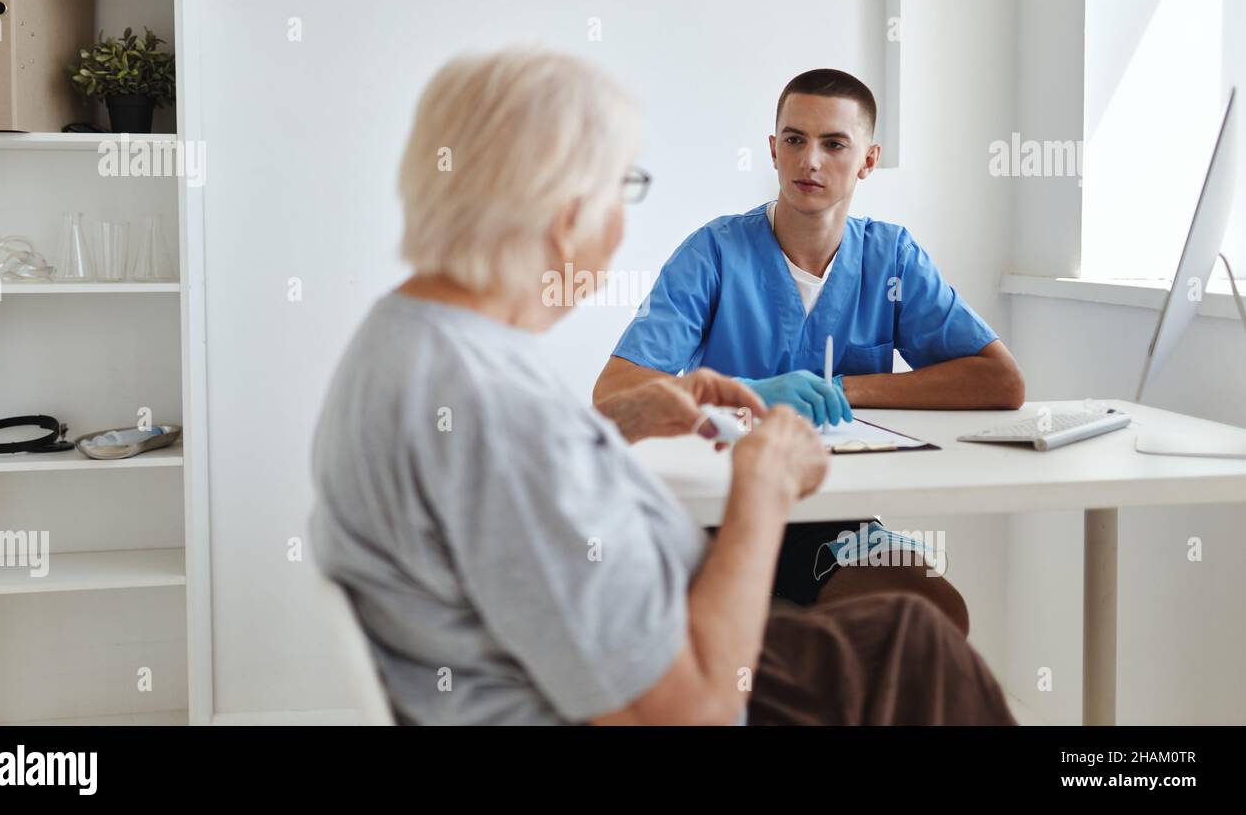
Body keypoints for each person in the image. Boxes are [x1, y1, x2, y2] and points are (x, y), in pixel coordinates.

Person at [309, 47, 1015, 725]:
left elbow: (519, 497)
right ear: (566, 215)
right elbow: (685, 713)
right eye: (624, 188)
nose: (620, 228)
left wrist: (616, 426)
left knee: (913, 620)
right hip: (647, 692)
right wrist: (762, 490)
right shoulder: (486, 398)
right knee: (913, 646)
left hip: (598, 662)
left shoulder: (407, 339)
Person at [593, 69, 1026, 632]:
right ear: (774, 151)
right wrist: (747, 397)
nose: (810, 161)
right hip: (711, 509)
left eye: (834, 144)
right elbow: (613, 390)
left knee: (933, 619)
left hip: (829, 520)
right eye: (794, 140)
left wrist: (846, 390)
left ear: (868, 160)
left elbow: (1000, 382)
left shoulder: (891, 258)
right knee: (679, 631)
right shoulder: (714, 253)